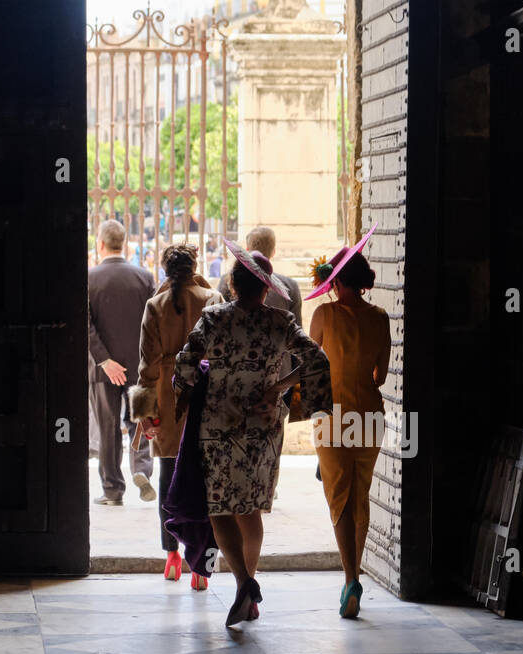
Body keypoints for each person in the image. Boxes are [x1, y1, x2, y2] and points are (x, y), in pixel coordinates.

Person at [173, 242, 331, 628]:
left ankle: (245, 585)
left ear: (231, 283)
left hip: (218, 423)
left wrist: (189, 387)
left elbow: (185, 363)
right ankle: (249, 588)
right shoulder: (280, 322)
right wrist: (279, 388)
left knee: (220, 507)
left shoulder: (213, 320)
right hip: (262, 428)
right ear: (265, 289)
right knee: (250, 508)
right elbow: (317, 361)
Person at [129, 245, 224, 589]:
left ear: (166, 270)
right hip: (204, 396)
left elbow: (146, 367)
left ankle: (171, 558)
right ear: (195, 266)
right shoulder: (213, 298)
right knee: (208, 487)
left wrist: (144, 414)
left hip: (168, 400)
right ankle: (203, 567)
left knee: (169, 479)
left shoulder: (155, 306)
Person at [307, 224, 386, 618]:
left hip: (332, 415)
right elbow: (381, 377)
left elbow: (309, 364)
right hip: (369, 416)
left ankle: (350, 577)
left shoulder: (323, 315)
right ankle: (355, 577)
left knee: (339, 496)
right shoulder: (381, 318)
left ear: (336, 284)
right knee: (361, 494)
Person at [88, 220, 157, 505]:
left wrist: (105, 360)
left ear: (100, 244)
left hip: (103, 371)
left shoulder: (89, 279)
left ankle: (113, 489)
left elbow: (86, 325)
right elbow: (154, 321)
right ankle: (141, 470)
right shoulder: (144, 277)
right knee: (140, 420)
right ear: (124, 244)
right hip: (138, 366)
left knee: (108, 428)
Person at [217, 226, 303, 327]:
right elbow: (297, 329)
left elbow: (220, 319)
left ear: (247, 250)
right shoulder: (290, 287)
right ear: (273, 252)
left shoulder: (227, 279)